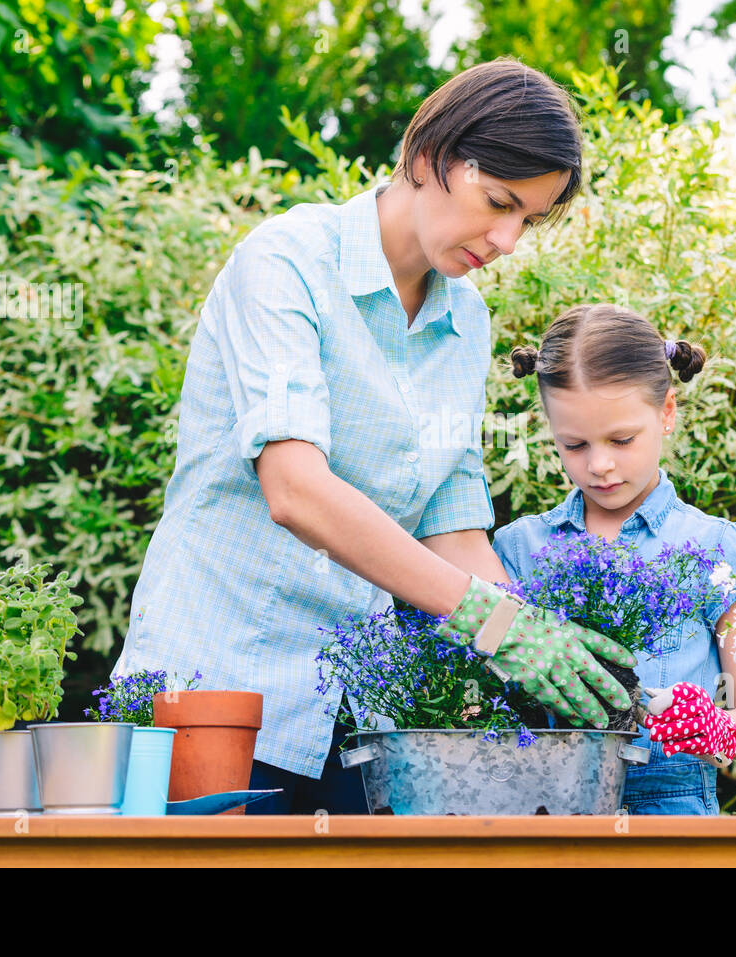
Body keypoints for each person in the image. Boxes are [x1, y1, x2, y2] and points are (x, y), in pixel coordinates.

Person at [111, 59, 637, 815]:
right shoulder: (287, 262)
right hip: (215, 691)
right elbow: (295, 490)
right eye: (498, 202)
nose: (509, 239)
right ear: (429, 157)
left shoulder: (465, 326)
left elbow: (451, 534)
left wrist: (552, 643)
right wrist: (497, 623)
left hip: (357, 719)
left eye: (529, 219)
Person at [491, 303, 736, 815]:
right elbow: (479, 689)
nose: (600, 465)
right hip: (540, 816)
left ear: (666, 412)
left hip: (673, 818)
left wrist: (715, 726)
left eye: (622, 440)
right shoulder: (517, 549)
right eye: (573, 444)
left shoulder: (718, 547)